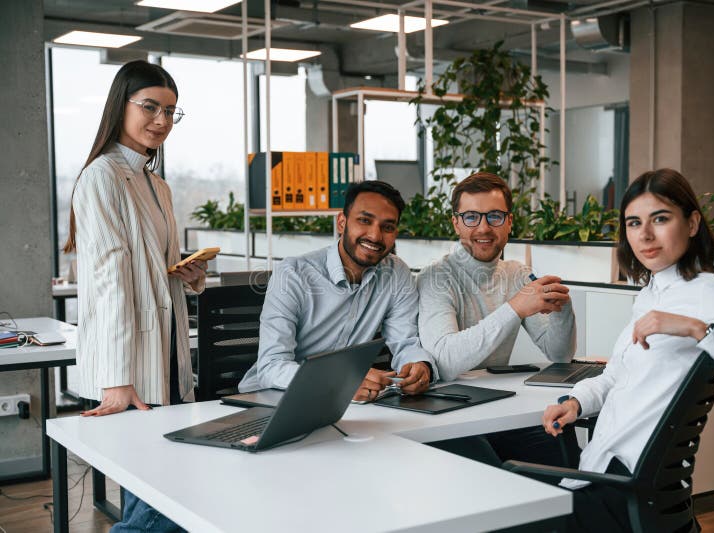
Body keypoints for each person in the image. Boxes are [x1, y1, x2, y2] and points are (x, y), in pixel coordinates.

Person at [540, 168, 714, 532]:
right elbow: (617, 374)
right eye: (633, 223)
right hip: (604, 477)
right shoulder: (650, 294)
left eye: (660, 219)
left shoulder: (711, 293)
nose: (644, 234)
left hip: (623, 490)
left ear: (692, 223)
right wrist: (576, 402)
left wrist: (699, 330)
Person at [64, 60, 205, 532]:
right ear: (120, 106)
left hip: (167, 357)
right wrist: (117, 377)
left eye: (171, 111)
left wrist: (188, 272)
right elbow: (108, 284)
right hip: (130, 368)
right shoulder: (102, 177)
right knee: (158, 501)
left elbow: (152, 269)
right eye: (151, 107)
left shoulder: (157, 184)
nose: (162, 121)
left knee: (168, 491)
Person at [416, 172, 576, 465]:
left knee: (565, 452)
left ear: (509, 222)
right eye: (471, 217)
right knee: (500, 474)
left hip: (497, 410)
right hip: (448, 418)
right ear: (456, 223)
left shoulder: (515, 273)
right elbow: (445, 360)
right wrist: (515, 307)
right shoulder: (435, 278)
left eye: (494, 217)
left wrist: (562, 309)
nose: (484, 228)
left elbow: (560, 355)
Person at [238, 180, 436, 399]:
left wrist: (418, 366)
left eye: (387, 227)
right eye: (364, 220)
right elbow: (271, 367)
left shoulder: (396, 273)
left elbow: (405, 342)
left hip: (345, 403)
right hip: (272, 397)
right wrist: (339, 381)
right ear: (342, 223)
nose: (375, 236)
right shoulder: (292, 274)